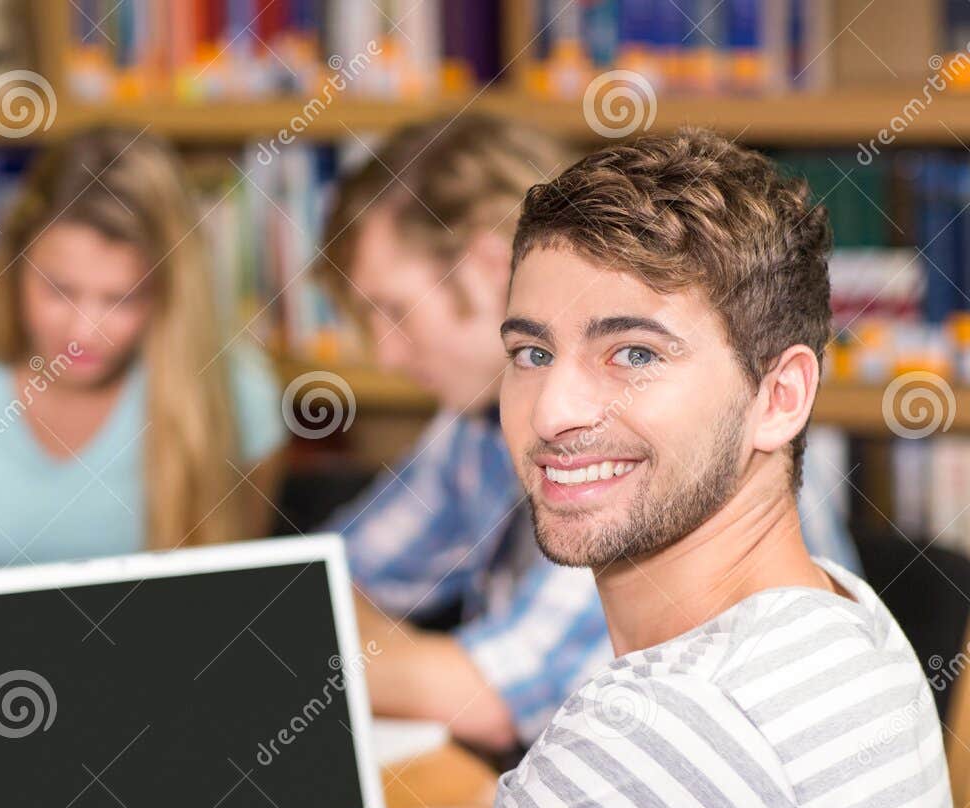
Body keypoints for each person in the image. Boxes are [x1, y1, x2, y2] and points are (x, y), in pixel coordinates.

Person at [74, 128, 967, 808]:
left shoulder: (681, 727)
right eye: (532, 352)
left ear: (780, 396)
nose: (552, 413)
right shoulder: (845, 621)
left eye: (632, 355)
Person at [315, 114, 859, 752]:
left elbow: (489, 696)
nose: (385, 355)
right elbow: (324, 580)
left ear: (491, 268)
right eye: (532, 355)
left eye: (396, 311)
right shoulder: (479, 418)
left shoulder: (640, 449)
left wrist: (341, 651)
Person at [0, 128, 286, 570]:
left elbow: (234, 592)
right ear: (15, 264)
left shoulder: (240, 389)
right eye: (59, 291)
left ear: (168, 294)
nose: (84, 333)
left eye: (121, 299)